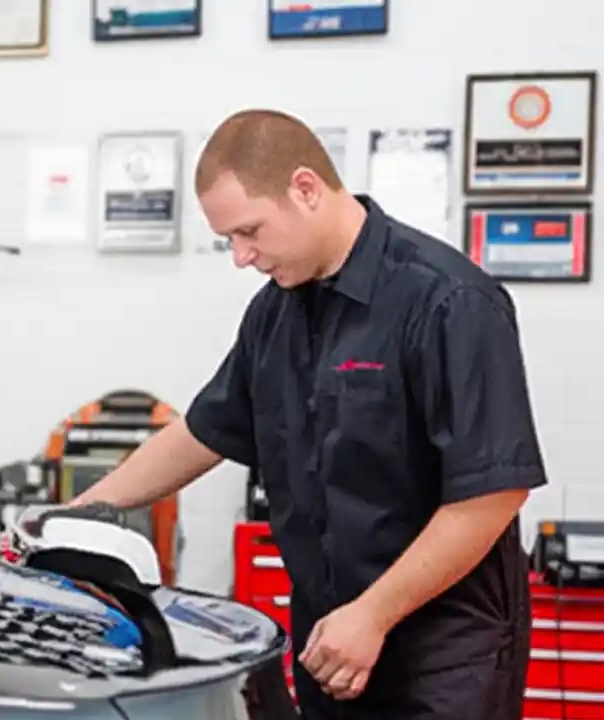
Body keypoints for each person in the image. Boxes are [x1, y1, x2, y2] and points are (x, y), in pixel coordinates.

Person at [71, 109, 546, 719]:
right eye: (229, 241)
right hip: (330, 643)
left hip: (441, 655)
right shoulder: (275, 313)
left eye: (250, 232)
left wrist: (372, 615)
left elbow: (493, 495)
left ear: (305, 188)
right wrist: (79, 512)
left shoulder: (448, 300)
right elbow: (203, 432)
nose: (241, 257)